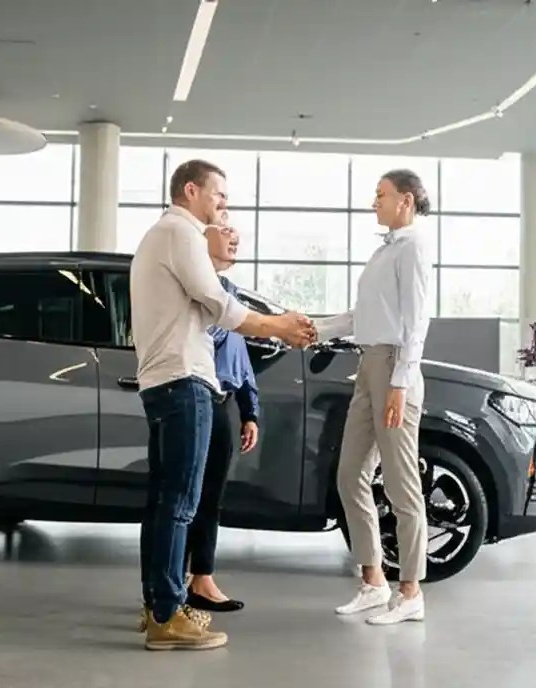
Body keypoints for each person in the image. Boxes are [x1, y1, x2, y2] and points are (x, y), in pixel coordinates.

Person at [131, 159, 316, 651]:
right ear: (190, 190)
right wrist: (279, 325)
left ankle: (156, 605)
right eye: (219, 197)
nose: (223, 209)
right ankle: (167, 616)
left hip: (165, 382)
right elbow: (219, 304)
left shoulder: (163, 236)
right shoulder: (179, 232)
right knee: (180, 502)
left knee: (164, 501)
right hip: (184, 381)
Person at [314, 169, 433, 626]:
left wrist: (400, 383)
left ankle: (410, 592)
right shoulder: (385, 251)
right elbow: (362, 315)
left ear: (405, 200)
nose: (374, 202)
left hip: (393, 368)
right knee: (349, 475)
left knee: (403, 486)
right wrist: (315, 329)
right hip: (368, 365)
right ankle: (374, 581)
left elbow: (416, 322)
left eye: (380, 195)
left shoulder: (415, 248)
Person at [184, 209, 259, 613]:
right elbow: (209, 336)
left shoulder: (228, 289)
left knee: (210, 496)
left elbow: (239, 357)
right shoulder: (196, 284)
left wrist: (250, 410)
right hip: (194, 395)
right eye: (226, 229)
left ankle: (202, 578)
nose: (235, 237)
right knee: (185, 496)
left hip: (222, 403)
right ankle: (175, 583)